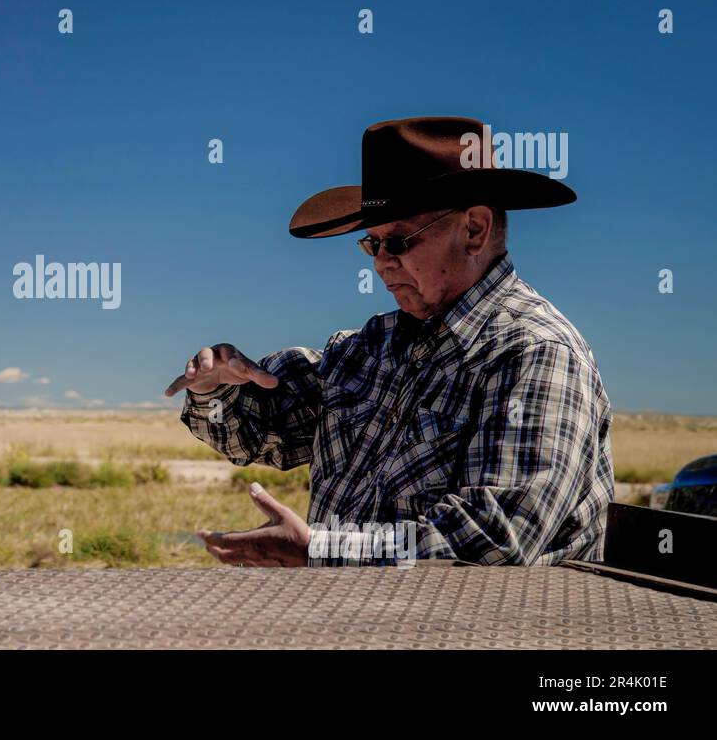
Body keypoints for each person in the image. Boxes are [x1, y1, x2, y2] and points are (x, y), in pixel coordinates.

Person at [164, 116, 613, 567]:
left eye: (397, 242)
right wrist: (215, 390)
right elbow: (261, 433)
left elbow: (496, 536)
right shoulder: (370, 348)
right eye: (371, 244)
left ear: (474, 229)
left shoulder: (536, 353)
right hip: (365, 625)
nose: (380, 265)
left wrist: (321, 550)